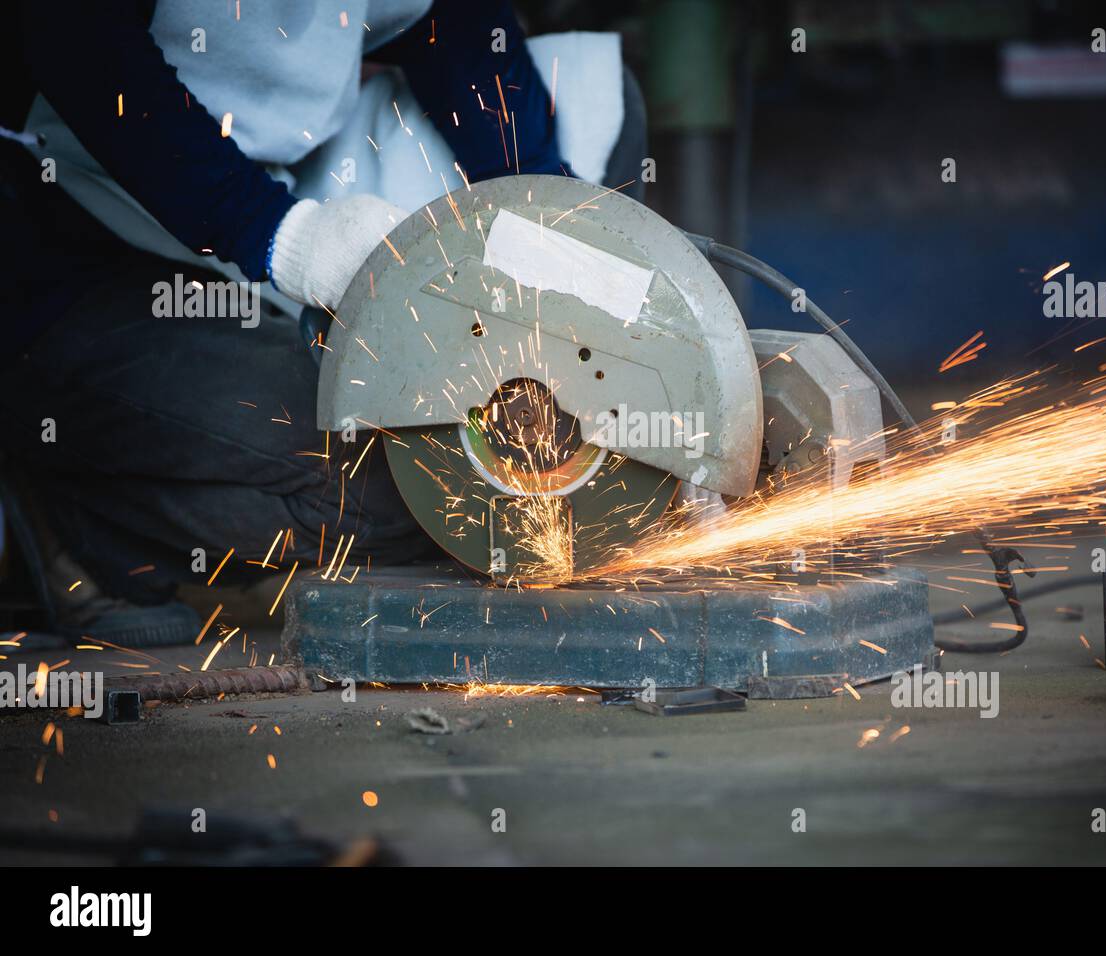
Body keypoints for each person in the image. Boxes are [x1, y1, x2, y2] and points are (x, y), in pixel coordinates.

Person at [0, 1, 646, 645]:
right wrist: (283, 237)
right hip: (81, 220)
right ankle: (85, 519)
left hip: (300, 163)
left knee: (598, 102)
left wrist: (538, 215)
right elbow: (74, 39)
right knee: (409, 487)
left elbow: (451, 19)